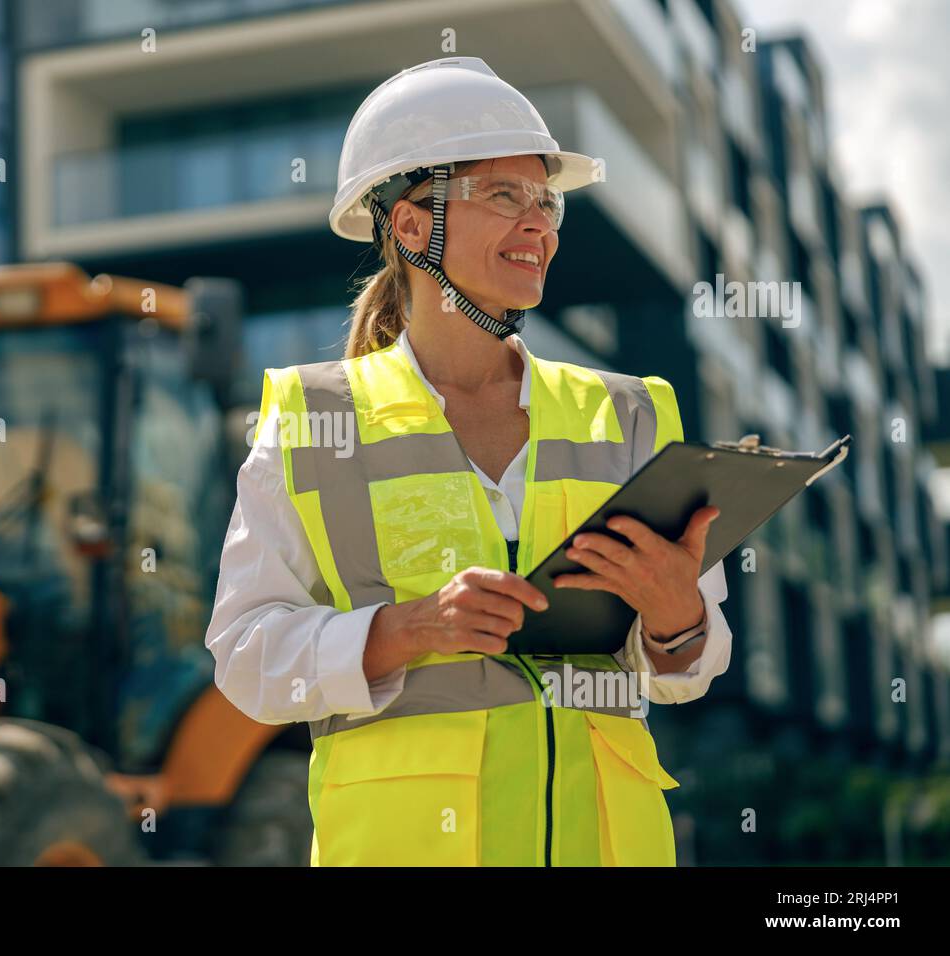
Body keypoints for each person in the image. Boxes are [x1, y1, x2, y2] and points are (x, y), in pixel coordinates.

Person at [206, 57, 732, 866]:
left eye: (546, 202)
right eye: (502, 196)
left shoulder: (628, 414)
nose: (541, 227)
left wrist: (678, 619)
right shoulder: (315, 421)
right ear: (411, 227)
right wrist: (407, 629)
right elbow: (245, 657)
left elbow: (687, 669)